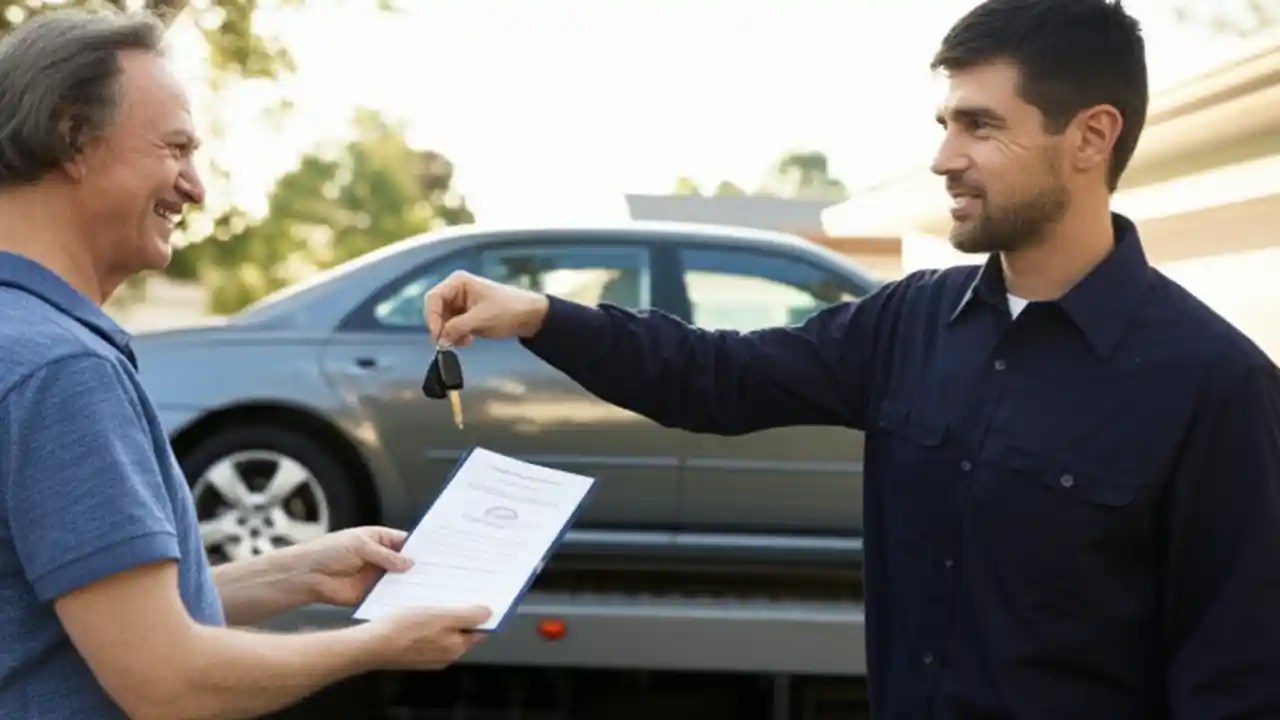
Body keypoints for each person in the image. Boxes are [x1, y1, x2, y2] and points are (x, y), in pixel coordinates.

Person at [425, 0, 1280, 717]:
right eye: (946, 125)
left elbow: (1237, 685)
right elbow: (715, 377)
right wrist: (542, 315)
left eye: (980, 126)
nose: (945, 158)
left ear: (1091, 137)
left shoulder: (1218, 387)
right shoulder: (911, 323)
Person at [0, 9, 490, 719]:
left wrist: (299, 573)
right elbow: (169, 679)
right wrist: (377, 645)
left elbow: (84, 618)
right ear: (74, 137)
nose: (196, 187)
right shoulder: (62, 370)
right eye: (175, 148)